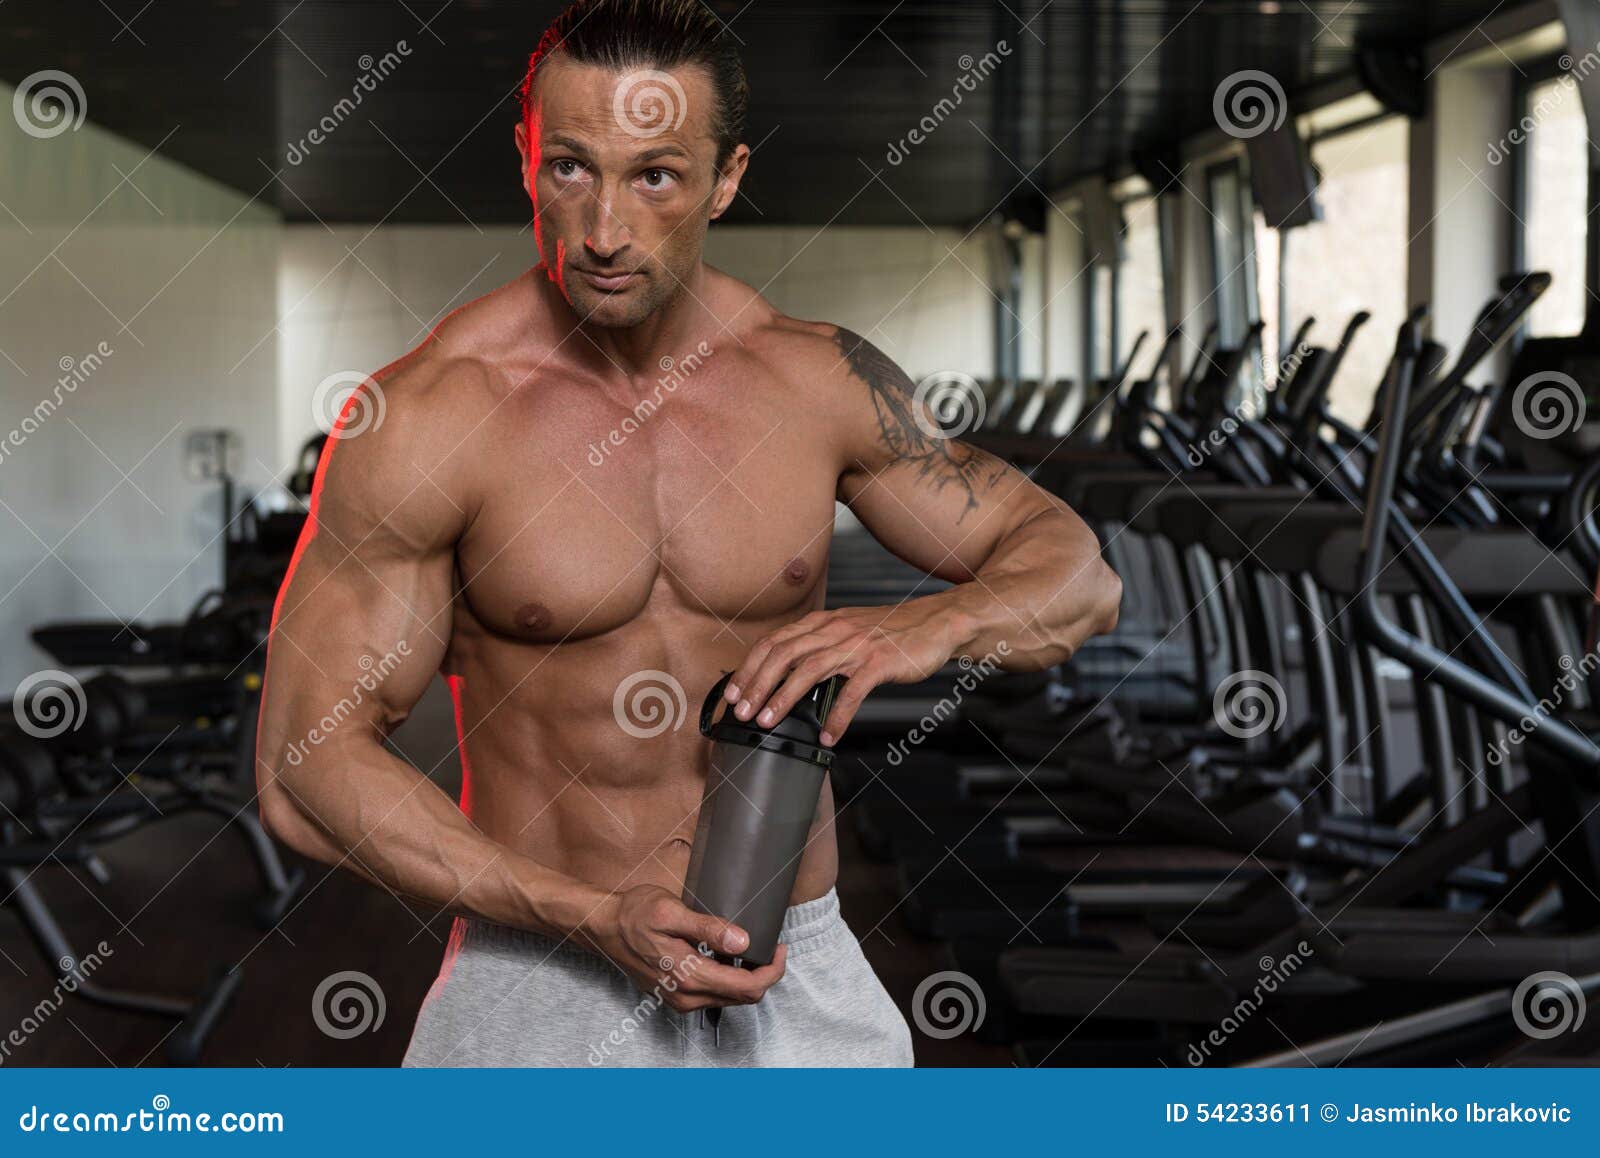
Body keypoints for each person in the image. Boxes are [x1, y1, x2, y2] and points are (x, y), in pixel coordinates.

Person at [254, 0, 1121, 1067]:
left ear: (726, 178)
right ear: (525, 156)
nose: (605, 230)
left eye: (655, 176)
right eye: (571, 168)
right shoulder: (429, 416)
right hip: (541, 973)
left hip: (791, 967)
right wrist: (583, 914)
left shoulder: (816, 380)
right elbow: (303, 768)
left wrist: (926, 627)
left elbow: (1078, 577)